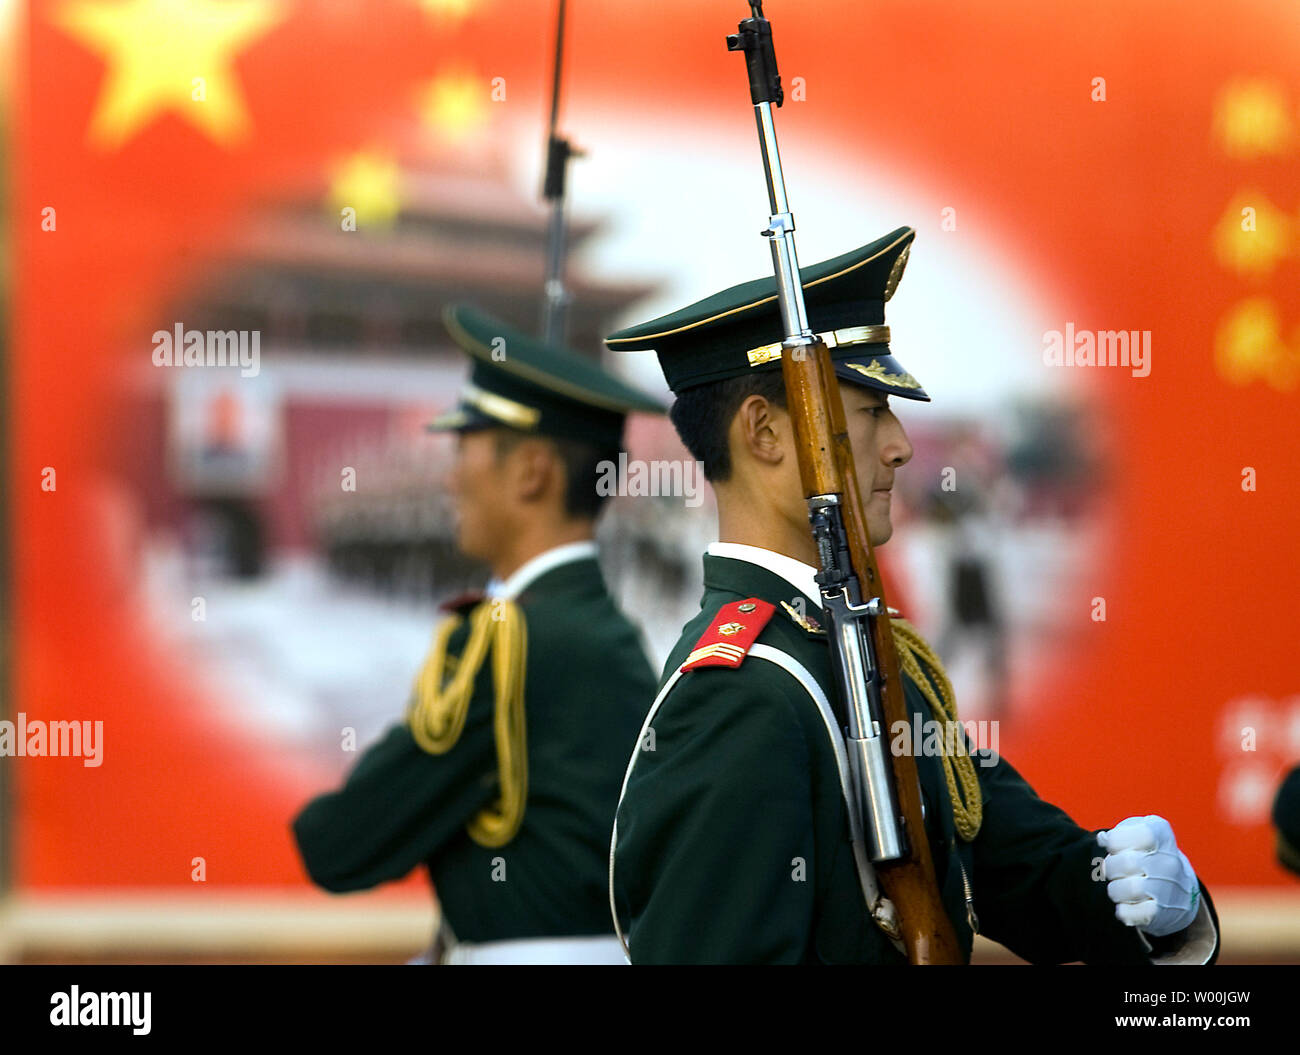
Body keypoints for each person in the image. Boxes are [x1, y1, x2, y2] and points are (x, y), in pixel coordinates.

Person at [604, 227, 1220, 964]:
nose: (899, 444)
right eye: (869, 412)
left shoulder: (863, 653)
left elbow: (1017, 864)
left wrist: (1140, 895)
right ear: (764, 432)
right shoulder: (740, 698)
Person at [294, 304, 663, 964]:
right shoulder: (612, 632)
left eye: (465, 447)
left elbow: (342, 846)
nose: (450, 474)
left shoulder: (506, 640)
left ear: (533, 473)